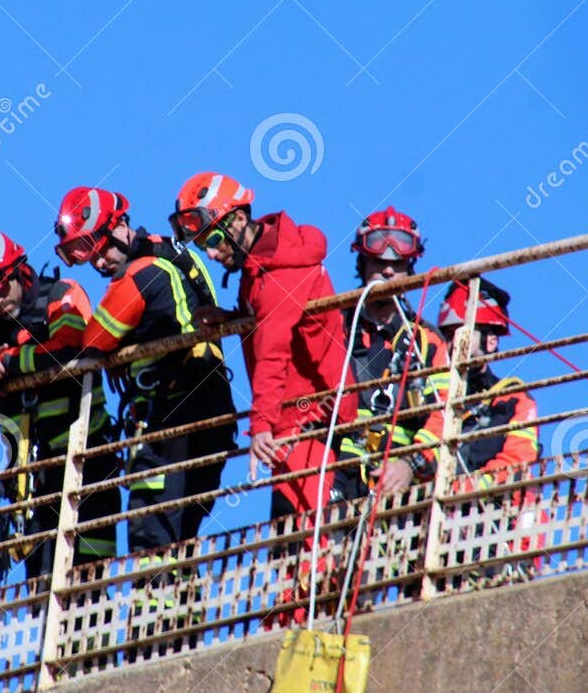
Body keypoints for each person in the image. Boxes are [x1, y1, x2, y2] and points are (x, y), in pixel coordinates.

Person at [169, 172, 357, 626]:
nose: (211, 254)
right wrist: (232, 317)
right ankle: (291, 621)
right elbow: (272, 322)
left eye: (214, 240)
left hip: (313, 418)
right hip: (296, 420)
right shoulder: (261, 266)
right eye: (204, 246)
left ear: (238, 220)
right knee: (290, 534)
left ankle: (312, 625)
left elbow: (273, 352)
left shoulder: (277, 274)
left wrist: (261, 428)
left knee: (310, 532)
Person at [55, 185, 237, 555]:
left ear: (121, 227)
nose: (100, 263)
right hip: (214, 407)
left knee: (151, 529)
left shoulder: (140, 273)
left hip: (169, 414)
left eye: (102, 250)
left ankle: (153, 593)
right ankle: (178, 591)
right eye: (92, 258)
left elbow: (95, 340)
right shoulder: (175, 253)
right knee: (182, 532)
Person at [0, 227, 122, 581]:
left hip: (86, 456)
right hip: (28, 474)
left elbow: (70, 349)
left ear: (16, 271)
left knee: (90, 570)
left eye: (0, 290)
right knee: (41, 578)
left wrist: (8, 361)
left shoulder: (61, 295)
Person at [419, 279, 543, 582]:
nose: (452, 343)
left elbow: (516, 462)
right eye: (447, 334)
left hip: (494, 536)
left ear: (490, 341)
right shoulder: (433, 395)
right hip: (434, 540)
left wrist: (457, 490)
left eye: (462, 333)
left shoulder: (513, 400)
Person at [338, 208, 449, 498]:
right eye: (379, 262)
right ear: (362, 263)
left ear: (409, 268)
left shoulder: (426, 342)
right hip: (334, 479)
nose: (388, 272)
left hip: (398, 489)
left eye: (397, 264)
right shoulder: (334, 326)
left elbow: (445, 413)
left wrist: (411, 464)